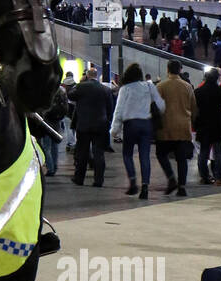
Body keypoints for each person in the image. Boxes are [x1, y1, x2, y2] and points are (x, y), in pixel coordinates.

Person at [110, 62, 165, 199]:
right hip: (146, 124)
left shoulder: (125, 89)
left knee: (127, 154)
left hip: (130, 124)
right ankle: (145, 186)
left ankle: (133, 182)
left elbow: (119, 111)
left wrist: (114, 130)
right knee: (144, 156)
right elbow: (161, 105)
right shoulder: (149, 86)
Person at [154, 59, 197, 196]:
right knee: (181, 159)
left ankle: (171, 178)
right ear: (180, 70)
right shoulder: (187, 86)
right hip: (183, 127)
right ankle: (182, 186)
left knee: (161, 154)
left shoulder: (161, 86)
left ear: (167, 69)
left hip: (166, 128)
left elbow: (156, 107)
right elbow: (194, 108)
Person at [69, 67, 114, 187]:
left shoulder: (81, 87)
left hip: (83, 125)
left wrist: (80, 82)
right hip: (100, 126)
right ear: (96, 75)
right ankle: (98, 180)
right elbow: (110, 109)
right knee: (99, 153)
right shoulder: (105, 89)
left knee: (82, 153)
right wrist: (107, 121)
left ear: (87, 75)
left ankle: (79, 178)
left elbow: (70, 95)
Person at [194, 69, 221, 185]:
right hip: (218, 125)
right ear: (216, 78)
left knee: (203, 152)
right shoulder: (220, 91)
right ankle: (219, 177)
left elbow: (195, 108)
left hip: (203, 125)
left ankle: (204, 177)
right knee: (219, 152)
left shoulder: (198, 91)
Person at [38, 81, 69, 175]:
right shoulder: (62, 90)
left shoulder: (46, 91)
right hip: (57, 120)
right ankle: (54, 166)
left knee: (46, 146)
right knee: (55, 145)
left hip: (47, 120)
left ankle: (50, 168)